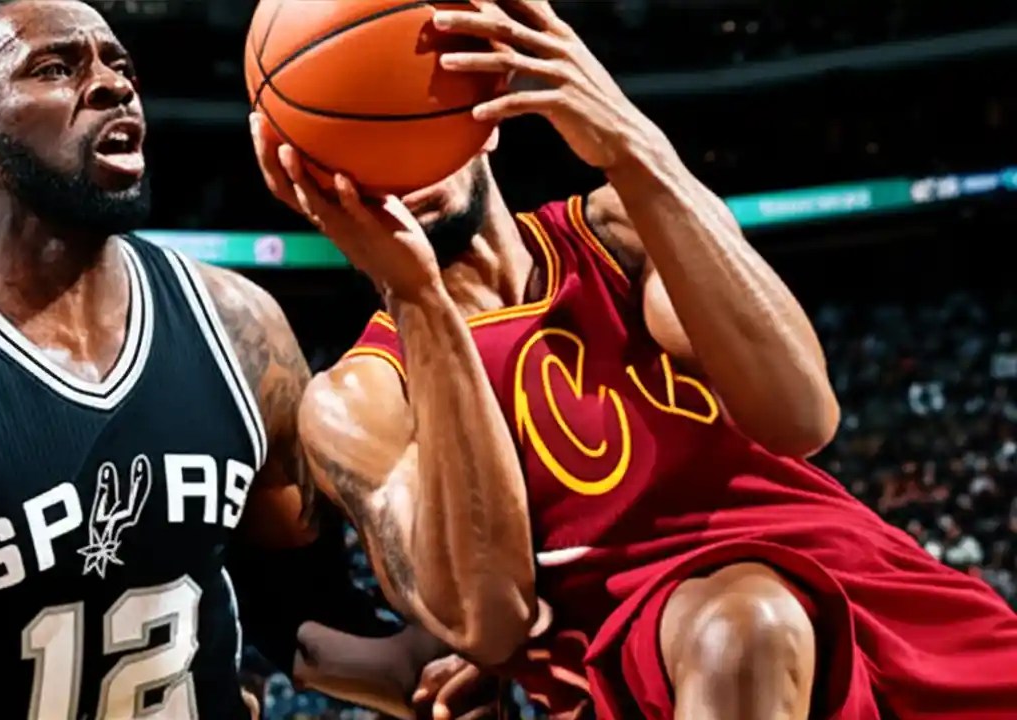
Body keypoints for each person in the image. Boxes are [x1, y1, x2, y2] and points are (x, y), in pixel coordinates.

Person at [251, 1, 1017, 718]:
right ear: (314, 188)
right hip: (666, 660)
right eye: (366, 145)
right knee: (743, 626)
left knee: (755, 618)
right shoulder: (360, 395)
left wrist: (631, 141)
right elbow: (490, 618)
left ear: (482, 121)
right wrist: (417, 297)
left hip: (869, 592)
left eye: (407, 117)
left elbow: (801, 414)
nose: (402, 161)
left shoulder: (620, 232)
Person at [0, 2, 482, 719]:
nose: (112, 83)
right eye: (56, 68)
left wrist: (426, 675)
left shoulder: (239, 327)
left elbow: (289, 601)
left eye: (119, 64)